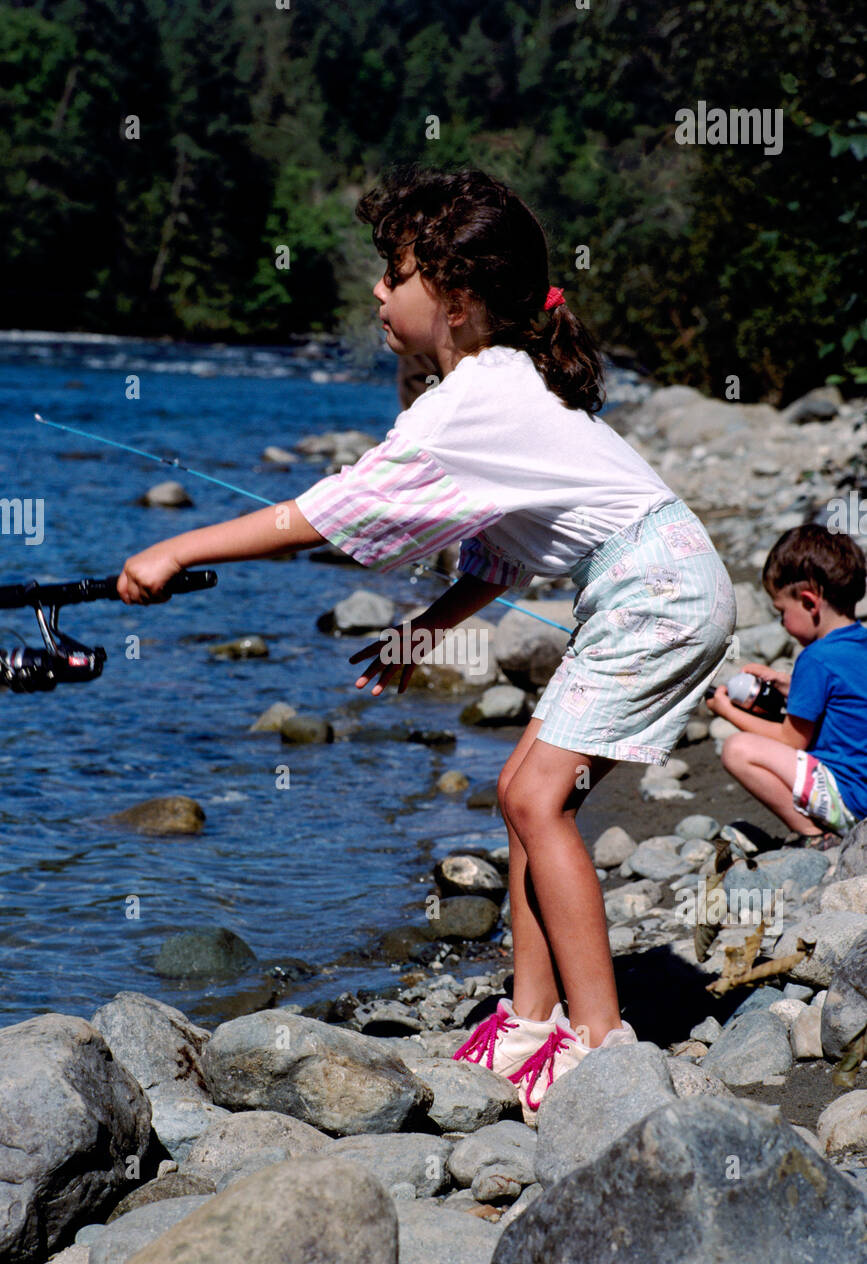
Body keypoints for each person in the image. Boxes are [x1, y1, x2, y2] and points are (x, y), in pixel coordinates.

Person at [117, 165, 737, 1122]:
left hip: (653, 592)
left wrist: (177, 545)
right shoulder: (497, 379)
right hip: (653, 584)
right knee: (525, 796)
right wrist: (423, 630)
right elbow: (495, 565)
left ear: (452, 299)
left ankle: (604, 1042)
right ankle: (531, 1020)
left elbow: (317, 514)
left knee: (535, 799)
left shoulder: (476, 397)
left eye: (393, 273)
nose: (376, 289)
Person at [706, 524, 867, 852]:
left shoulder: (816, 659)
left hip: (848, 798)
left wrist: (726, 711)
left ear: (809, 602)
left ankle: (817, 834)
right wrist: (788, 683)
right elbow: (847, 698)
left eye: (781, 612)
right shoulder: (859, 645)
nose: (782, 623)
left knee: (738, 750)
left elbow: (791, 740)